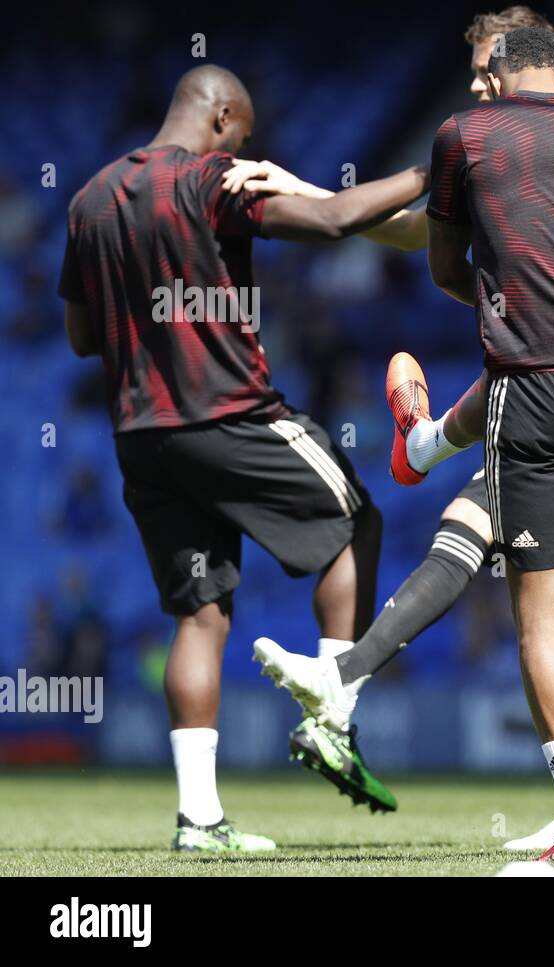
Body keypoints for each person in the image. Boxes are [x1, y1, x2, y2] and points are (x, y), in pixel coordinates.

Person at [254, 26, 554, 862]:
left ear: (498, 70)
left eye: (483, 70)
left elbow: (442, 262)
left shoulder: (465, 135)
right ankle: (363, 676)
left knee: (535, 620)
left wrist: (501, 292)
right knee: (544, 594)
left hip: (536, 384)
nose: (477, 86)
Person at [59, 64, 429, 850]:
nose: (251, 149)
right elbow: (331, 221)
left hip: (142, 434)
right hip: (229, 413)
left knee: (199, 615)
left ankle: (199, 821)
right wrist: (434, 170)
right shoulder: (214, 181)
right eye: (247, 135)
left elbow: (83, 337)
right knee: (356, 518)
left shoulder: (88, 199)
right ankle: (333, 713)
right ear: (222, 116)